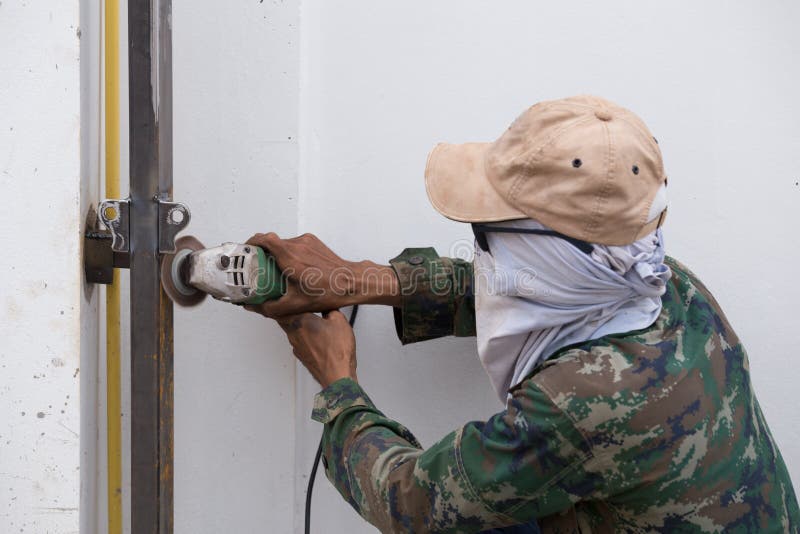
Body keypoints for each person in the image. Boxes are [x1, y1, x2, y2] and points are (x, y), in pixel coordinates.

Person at [246, 96, 799, 532]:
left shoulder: (577, 405)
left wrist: (337, 381)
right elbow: (523, 283)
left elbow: (410, 503)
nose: (484, 254)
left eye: (486, 236)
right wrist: (358, 280)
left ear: (551, 253)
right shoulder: (661, 282)